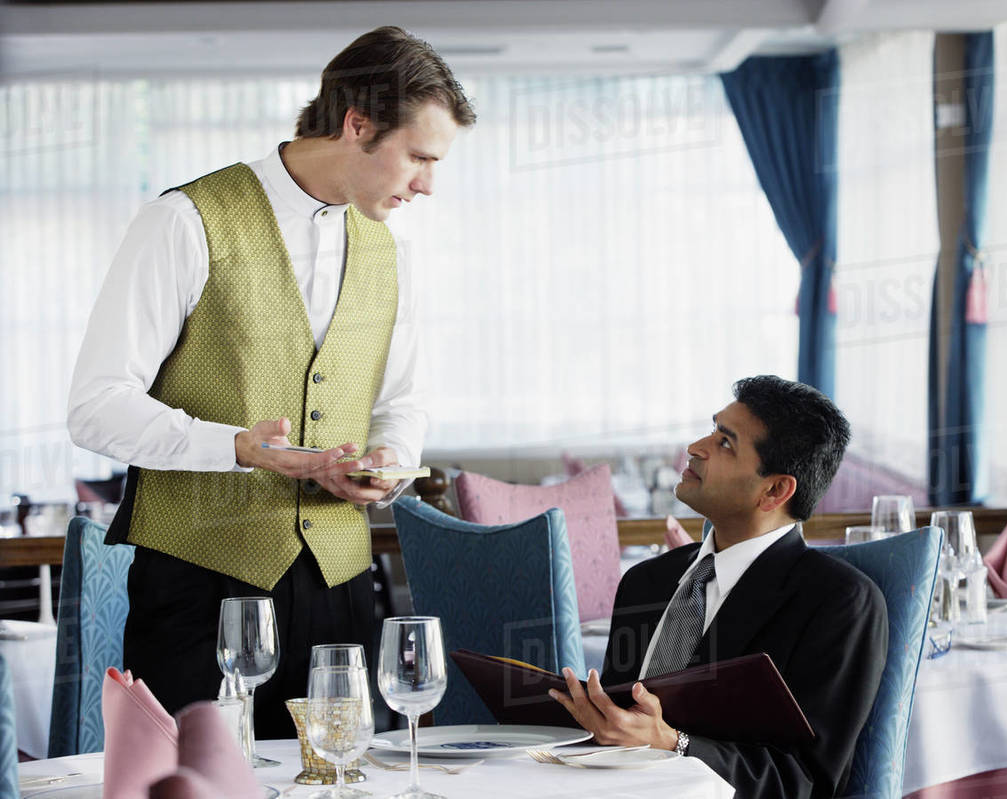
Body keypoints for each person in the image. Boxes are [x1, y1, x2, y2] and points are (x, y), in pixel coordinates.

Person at [67, 26, 475, 737]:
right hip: (199, 585)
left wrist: (386, 459)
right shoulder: (185, 221)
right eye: (418, 156)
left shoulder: (390, 252)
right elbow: (95, 408)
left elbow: (403, 402)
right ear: (357, 124)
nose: (427, 183)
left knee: (342, 783)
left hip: (340, 584)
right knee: (194, 788)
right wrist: (238, 446)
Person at [550, 375, 888, 799]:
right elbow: (618, 727)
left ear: (775, 489)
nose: (696, 447)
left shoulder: (839, 603)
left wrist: (674, 745)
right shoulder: (645, 582)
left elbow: (804, 782)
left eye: (725, 443)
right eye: (712, 429)